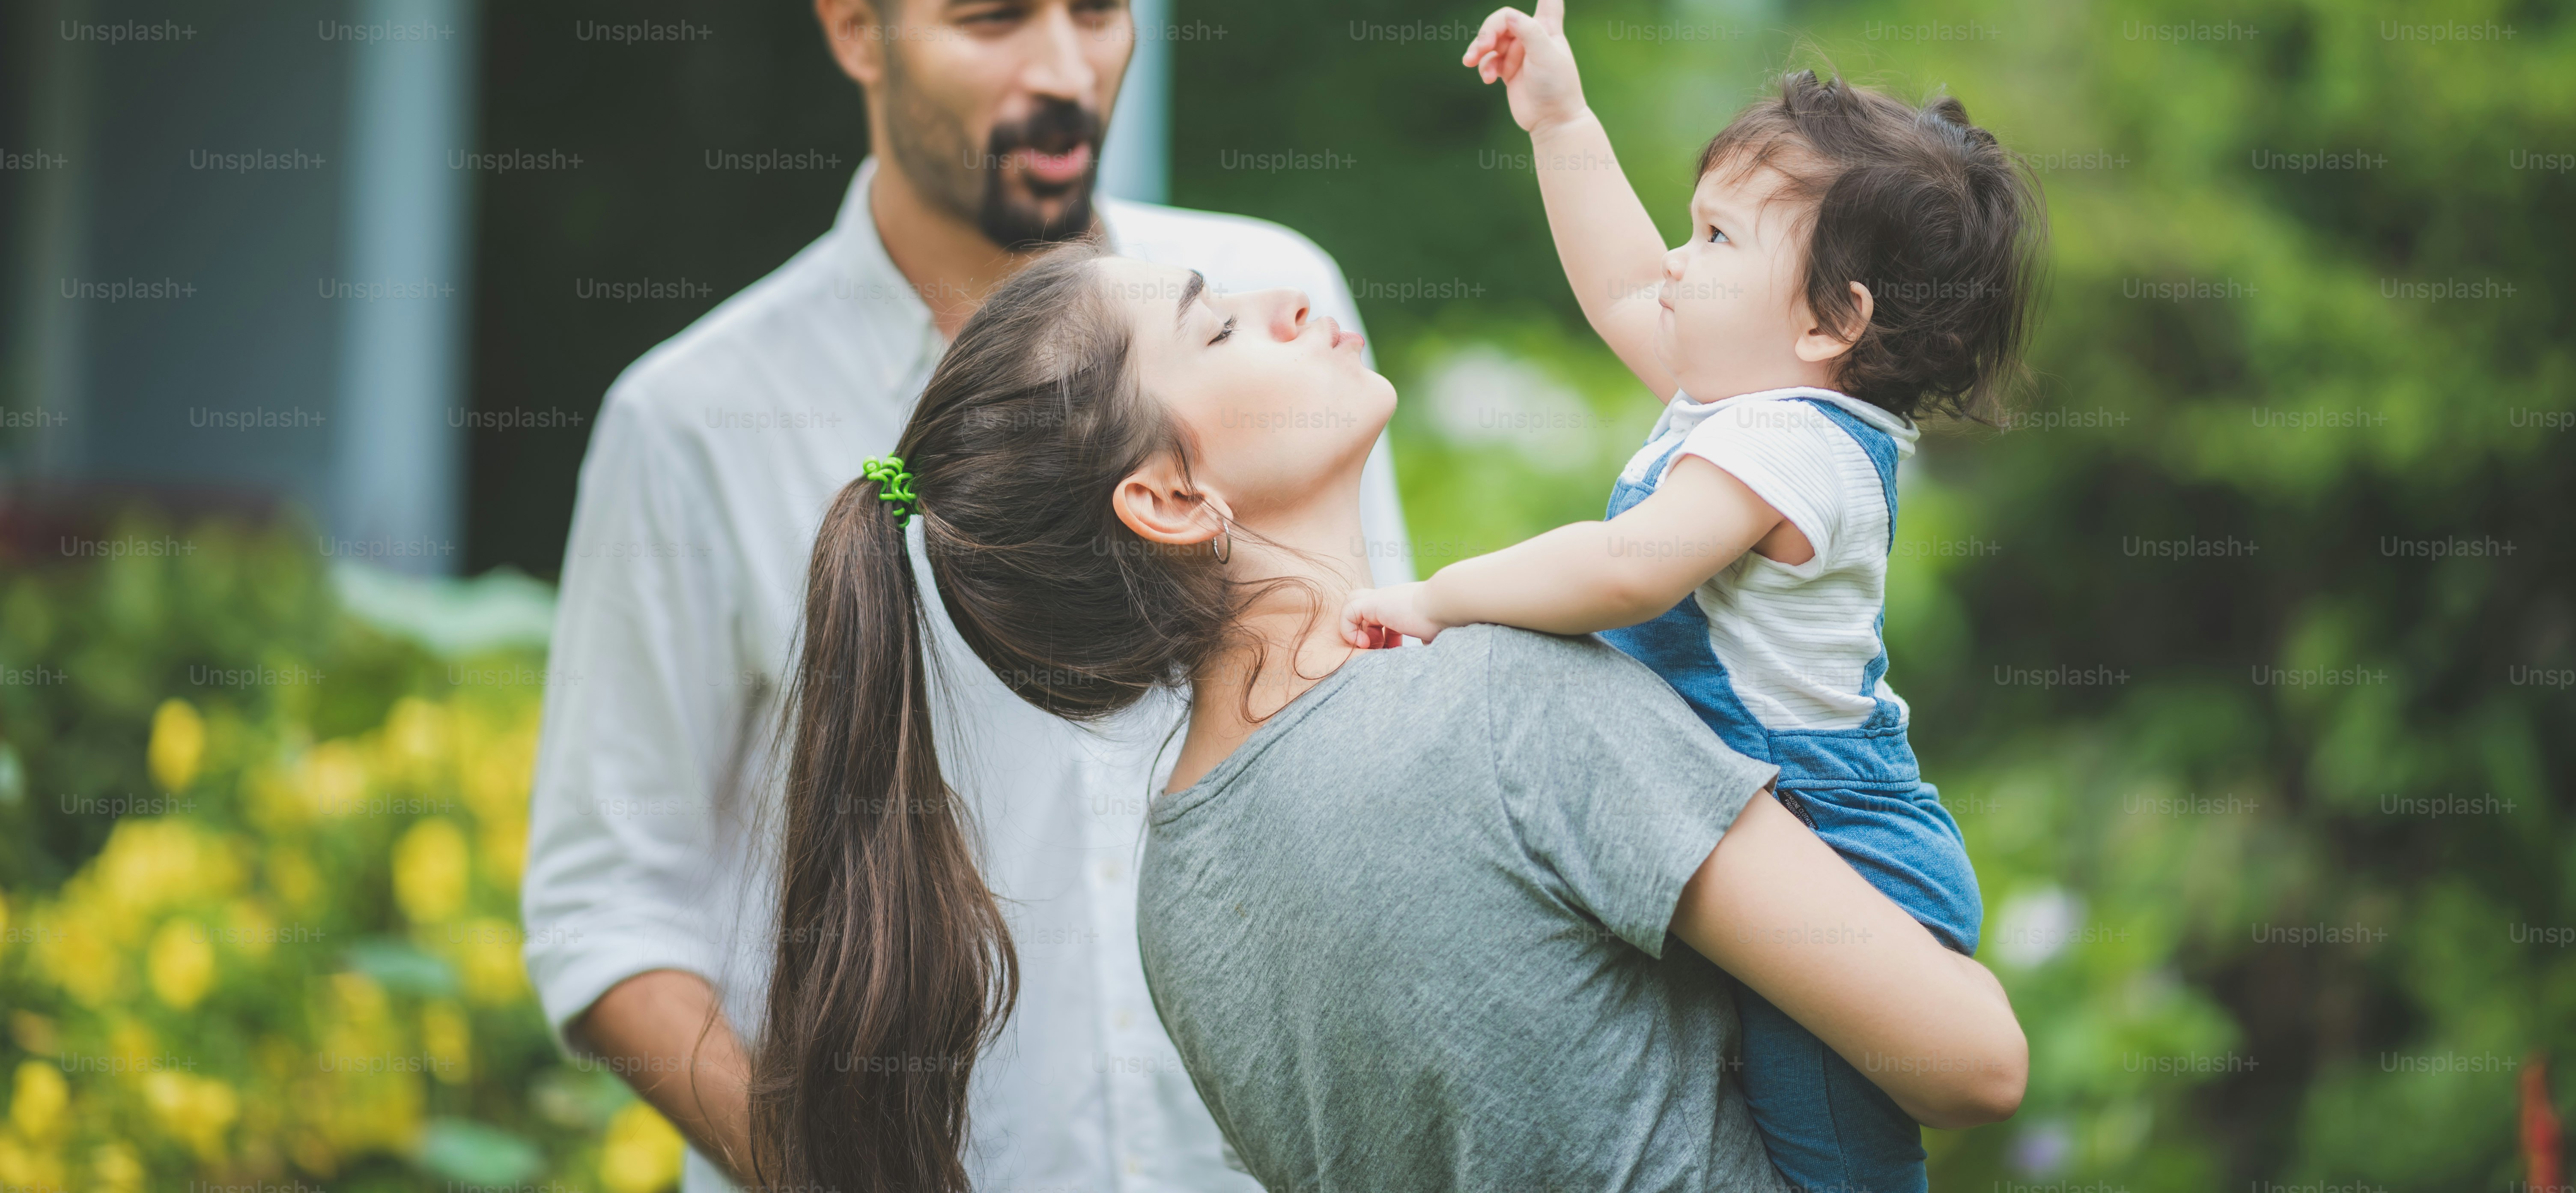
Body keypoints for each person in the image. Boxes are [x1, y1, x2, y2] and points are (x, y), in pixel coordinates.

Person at [519, 0, 1411, 1193]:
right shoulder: (689, 420)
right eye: (994, 15)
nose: (1063, 73)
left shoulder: (1281, 303)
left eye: (1100, 6)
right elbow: (607, 918)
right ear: (855, 29)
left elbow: (1389, 717)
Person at [753, 243, 2028, 1193]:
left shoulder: (1176, 900)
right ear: (1172, 498)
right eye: (1219, 330)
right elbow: (1974, 1061)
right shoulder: (1506, 704)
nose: (1292, 301)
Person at [1341, 0, 2045, 1193]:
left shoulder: (1795, 445)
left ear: (1833, 323)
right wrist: (1562, 118)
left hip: (1840, 850)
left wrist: (1437, 596)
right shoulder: (1750, 401)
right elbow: (1622, 280)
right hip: (1761, 816)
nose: (1677, 259)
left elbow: (1628, 571)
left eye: (1715, 237)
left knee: (1827, 1152)